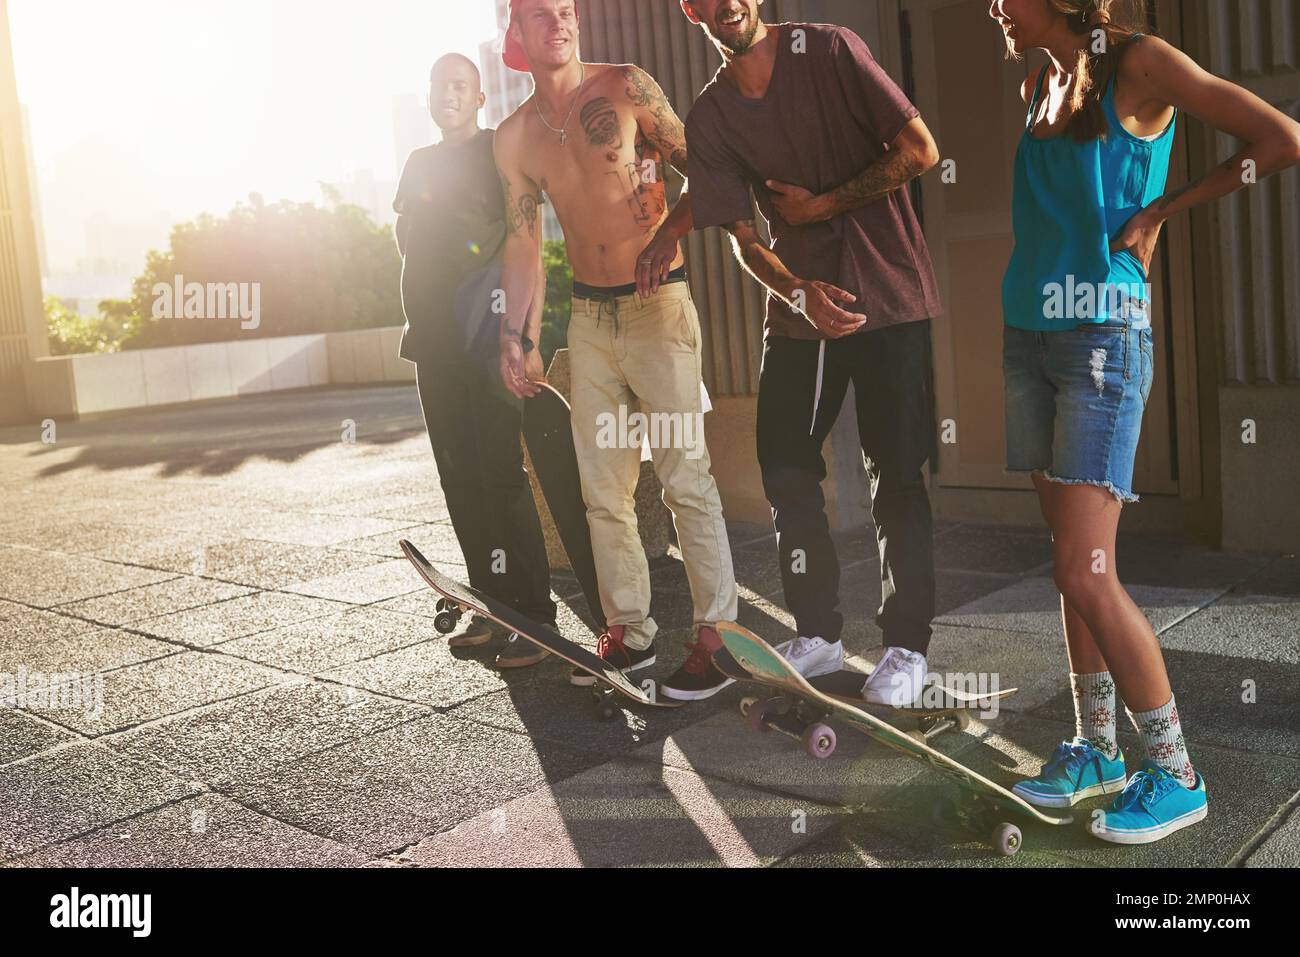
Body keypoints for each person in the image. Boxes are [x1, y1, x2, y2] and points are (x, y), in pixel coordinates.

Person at [989, 0, 1300, 843]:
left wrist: (1162, 210)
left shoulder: (1142, 63)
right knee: (1069, 567)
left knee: (1089, 570)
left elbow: (1280, 140)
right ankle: (1098, 750)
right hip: (1031, 335)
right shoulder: (1039, 79)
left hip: (1100, 339)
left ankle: (1176, 771)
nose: (993, 7)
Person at [680, 0, 943, 705]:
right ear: (690, 8)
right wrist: (797, 292)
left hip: (888, 299)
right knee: (785, 467)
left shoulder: (830, 51)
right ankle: (819, 636)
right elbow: (744, 239)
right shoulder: (709, 118)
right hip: (800, 313)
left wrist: (820, 207)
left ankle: (906, 647)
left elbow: (921, 151)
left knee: (897, 473)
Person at [494, 0, 740, 701]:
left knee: (685, 477)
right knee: (603, 490)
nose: (559, 22)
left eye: (567, 10)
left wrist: (670, 233)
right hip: (591, 321)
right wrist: (522, 334)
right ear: (515, 34)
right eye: (540, 14)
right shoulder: (515, 139)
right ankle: (630, 632)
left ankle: (717, 635)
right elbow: (523, 244)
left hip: (658, 307)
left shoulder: (626, 86)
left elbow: (710, 169)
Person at [394, 52, 556, 668]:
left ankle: (534, 616)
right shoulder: (417, 164)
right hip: (432, 345)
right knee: (459, 476)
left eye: (461, 86)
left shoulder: (497, 153)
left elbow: (529, 245)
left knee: (501, 475)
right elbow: (410, 243)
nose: (450, 95)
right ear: (429, 96)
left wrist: (528, 336)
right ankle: (489, 604)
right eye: (440, 85)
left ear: (480, 97)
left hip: (490, 341)